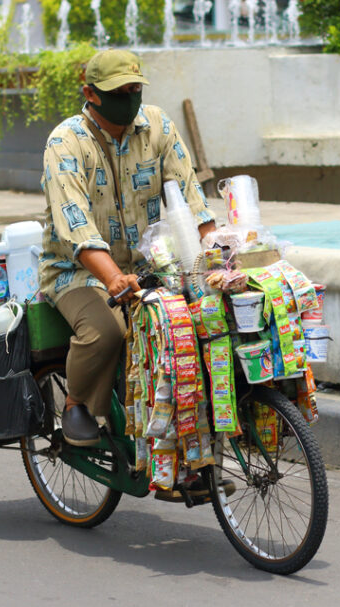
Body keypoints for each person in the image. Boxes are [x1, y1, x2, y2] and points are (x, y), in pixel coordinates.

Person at [39, 49, 216, 446]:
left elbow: (190, 196)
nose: (130, 96)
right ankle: (76, 404)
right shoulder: (65, 142)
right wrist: (114, 279)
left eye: (135, 88)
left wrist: (216, 254)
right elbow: (75, 223)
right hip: (77, 271)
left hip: (150, 265)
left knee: (198, 327)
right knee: (106, 330)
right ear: (90, 93)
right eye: (118, 90)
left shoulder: (158, 126)